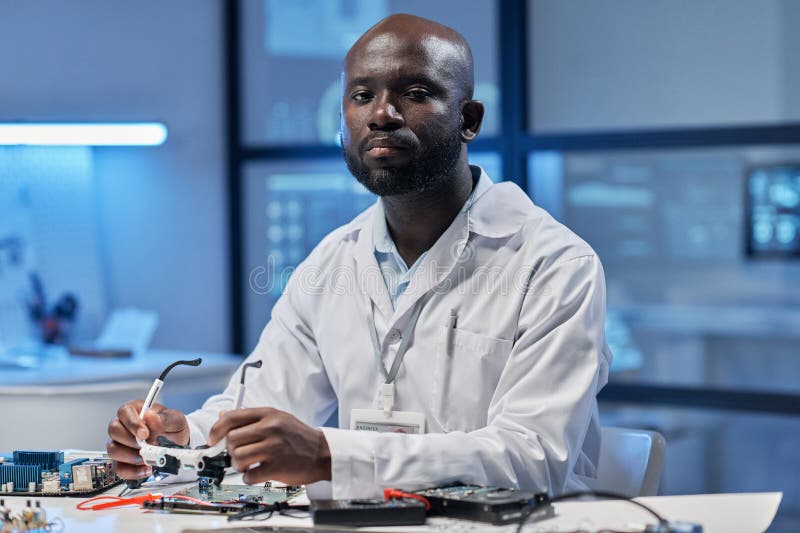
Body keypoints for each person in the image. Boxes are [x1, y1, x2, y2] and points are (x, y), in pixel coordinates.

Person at [107, 13, 612, 499]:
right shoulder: (332, 263)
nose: (381, 115)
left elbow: (534, 457)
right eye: (362, 95)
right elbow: (260, 405)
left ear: (469, 120)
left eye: (415, 94)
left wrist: (331, 456)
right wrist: (181, 439)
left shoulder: (554, 264)